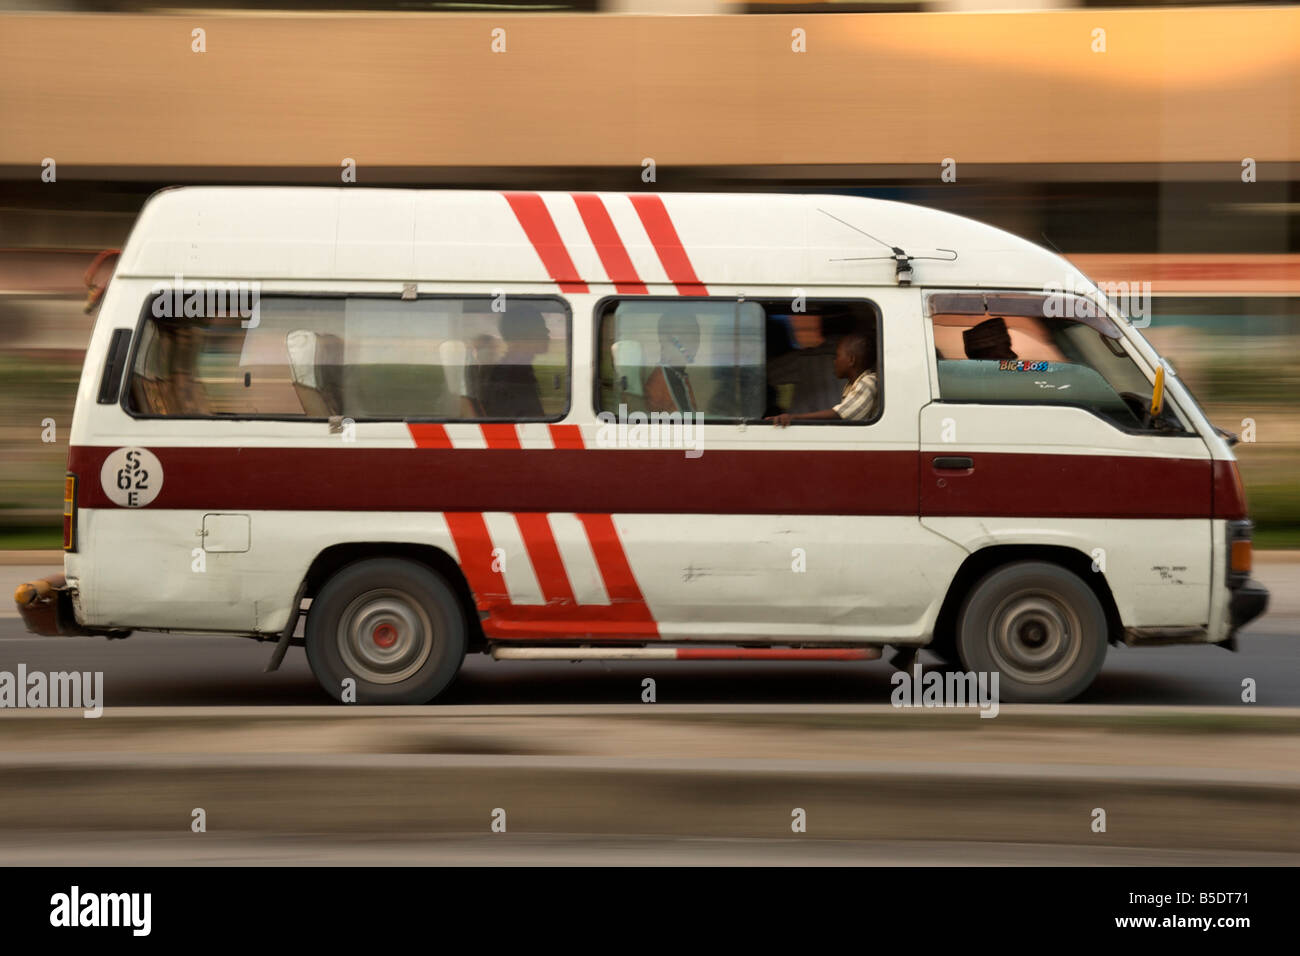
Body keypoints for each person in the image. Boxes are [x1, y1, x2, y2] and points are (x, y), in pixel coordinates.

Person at [766, 332, 877, 426]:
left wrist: (793, 417)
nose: (834, 361)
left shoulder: (868, 382)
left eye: (837, 356)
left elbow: (841, 414)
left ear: (851, 360)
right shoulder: (852, 384)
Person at [479, 304, 550, 419]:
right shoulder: (513, 375)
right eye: (541, 326)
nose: (547, 331)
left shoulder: (519, 370)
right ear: (524, 333)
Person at [644, 312, 700, 414]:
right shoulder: (662, 382)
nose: (694, 342)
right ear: (664, 340)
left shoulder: (678, 375)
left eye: (696, 335)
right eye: (683, 335)